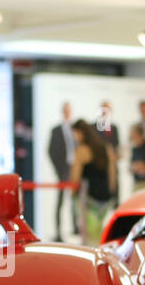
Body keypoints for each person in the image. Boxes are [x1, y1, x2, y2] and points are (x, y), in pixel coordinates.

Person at [69, 119, 117, 244]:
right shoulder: (105, 147)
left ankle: (92, 262)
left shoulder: (82, 150)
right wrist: (112, 192)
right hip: (105, 199)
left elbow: (75, 177)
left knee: (90, 240)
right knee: (100, 235)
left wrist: (72, 194)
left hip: (89, 199)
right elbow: (112, 174)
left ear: (80, 132)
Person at [47, 102, 78, 241]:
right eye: (65, 110)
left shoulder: (76, 129)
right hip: (63, 169)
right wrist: (59, 168)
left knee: (75, 200)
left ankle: (76, 227)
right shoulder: (56, 130)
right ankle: (58, 231)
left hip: (75, 168)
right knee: (60, 202)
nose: (67, 112)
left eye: (68, 110)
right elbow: (51, 150)